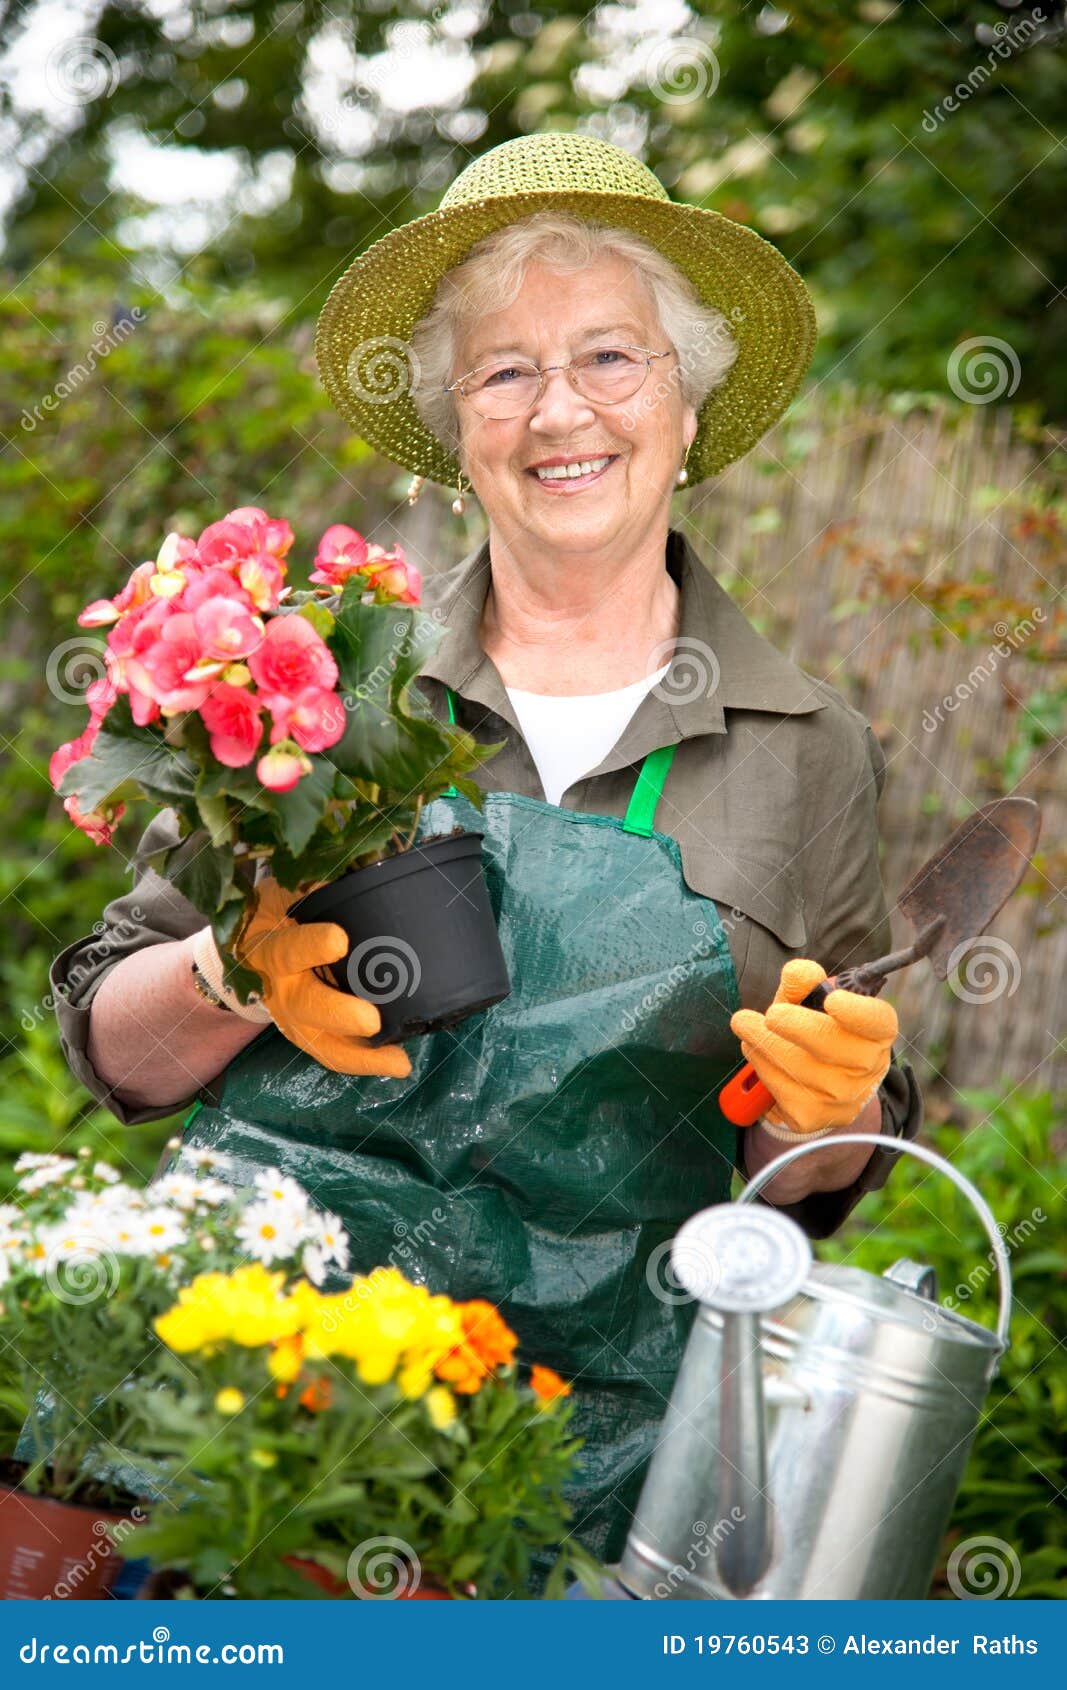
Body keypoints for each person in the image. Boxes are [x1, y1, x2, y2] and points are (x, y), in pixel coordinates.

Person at [53, 133, 921, 1580]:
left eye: (609, 358)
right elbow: (109, 1035)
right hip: (252, 1436)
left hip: (583, 1470)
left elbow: (805, 1191)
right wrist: (231, 967)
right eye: (503, 371)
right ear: (457, 434)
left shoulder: (809, 745)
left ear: (688, 406)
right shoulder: (316, 679)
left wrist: (823, 1110)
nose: (558, 410)